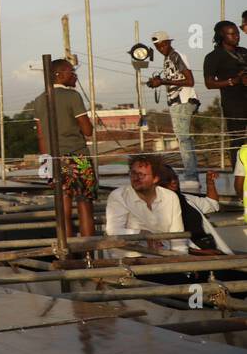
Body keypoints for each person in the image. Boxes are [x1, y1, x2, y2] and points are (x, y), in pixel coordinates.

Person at [32, 58, 96, 239]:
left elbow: (41, 135)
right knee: (84, 204)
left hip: (53, 159)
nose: (75, 76)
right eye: (71, 72)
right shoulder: (73, 96)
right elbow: (87, 130)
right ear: (58, 75)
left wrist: (46, 162)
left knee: (63, 206)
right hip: (78, 156)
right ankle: (88, 252)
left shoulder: (38, 100)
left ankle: (67, 250)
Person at [145, 31, 200, 187]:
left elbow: (190, 81)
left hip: (183, 101)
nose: (161, 48)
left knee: (183, 140)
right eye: (157, 46)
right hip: (175, 102)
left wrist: (162, 82)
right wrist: (159, 81)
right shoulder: (168, 59)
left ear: (168, 42)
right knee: (184, 139)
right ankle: (192, 175)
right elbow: (173, 79)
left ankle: (191, 177)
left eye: (163, 44)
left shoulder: (177, 56)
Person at [104, 155, 185, 245]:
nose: (136, 178)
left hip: (165, 254)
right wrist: (140, 233)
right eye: (133, 173)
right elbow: (113, 230)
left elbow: (178, 237)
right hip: (130, 255)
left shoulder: (170, 197)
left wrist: (180, 256)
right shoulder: (119, 196)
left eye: (141, 175)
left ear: (155, 178)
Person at [156, 164, 232, 255]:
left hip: (213, 249)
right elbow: (165, 245)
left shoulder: (186, 198)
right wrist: (202, 253)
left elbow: (212, 205)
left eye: (175, 177)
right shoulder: (155, 208)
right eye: (168, 179)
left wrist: (210, 183)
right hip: (192, 258)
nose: (174, 181)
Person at [202, 20, 247, 159]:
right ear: (222, 36)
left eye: (238, 34)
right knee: (237, 142)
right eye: (232, 34)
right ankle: (239, 175)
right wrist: (233, 81)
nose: (237, 37)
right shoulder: (213, 57)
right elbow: (209, 83)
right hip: (234, 105)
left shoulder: (244, 52)